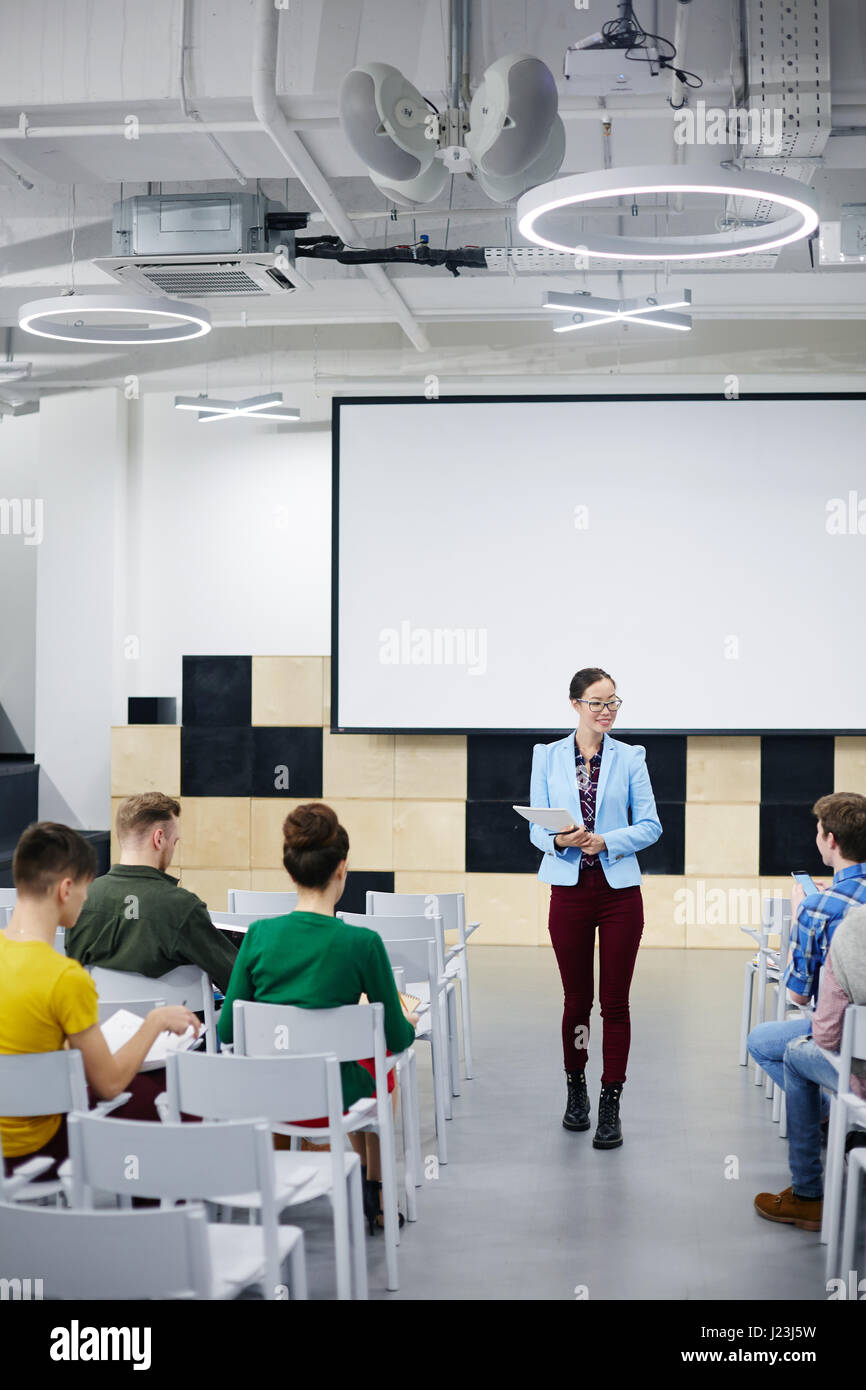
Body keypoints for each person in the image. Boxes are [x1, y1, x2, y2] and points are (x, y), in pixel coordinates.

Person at [218, 801, 416, 1233]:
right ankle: (377, 1194)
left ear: (290, 871)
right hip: (334, 1098)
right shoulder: (362, 943)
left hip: (268, 1095)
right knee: (380, 1071)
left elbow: (227, 1029)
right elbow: (397, 1041)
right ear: (342, 868)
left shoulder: (258, 936)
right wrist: (405, 1022)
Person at [0, 822, 200, 1179]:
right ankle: (159, 1224)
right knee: (166, 1098)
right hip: (33, 1150)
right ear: (65, 889)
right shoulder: (63, 977)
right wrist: (154, 1022)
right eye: (85, 887)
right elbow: (108, 1085)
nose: (87, 898)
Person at [529, 667, 662, 1149]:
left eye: (613, 703)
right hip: (568, 890)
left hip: (619, 893)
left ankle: (611, 1101)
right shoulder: (546, 757)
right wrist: (559, 838)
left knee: (616, 1003)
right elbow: (535, 829)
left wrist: (606, 840)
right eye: (597, 703)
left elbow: (650, 826)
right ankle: (576, 1090)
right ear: (574, 704)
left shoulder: (630, 758)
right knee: (576, 1001)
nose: (606, 711)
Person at [754, 902, 866, 1231]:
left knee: (794, 1054)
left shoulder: (848, 926)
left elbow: (827, 1035)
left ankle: (807, 1196)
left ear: (831, 844)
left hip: (860, 1077)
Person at [746, 793, 866, 1094]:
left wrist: (803, 912)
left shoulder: (816, 909)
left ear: (831, 840)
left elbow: (798, 997)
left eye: (818, 831)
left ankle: (827, 1120)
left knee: (760, 1042)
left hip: (840, 1034)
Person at [65, 792, 237, 995]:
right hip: (173, 1025)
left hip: (97, 1024)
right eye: (174, 842)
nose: (173, 850)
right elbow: (235, 980)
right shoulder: (183, 908)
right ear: (159, 838)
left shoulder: (80, 899)